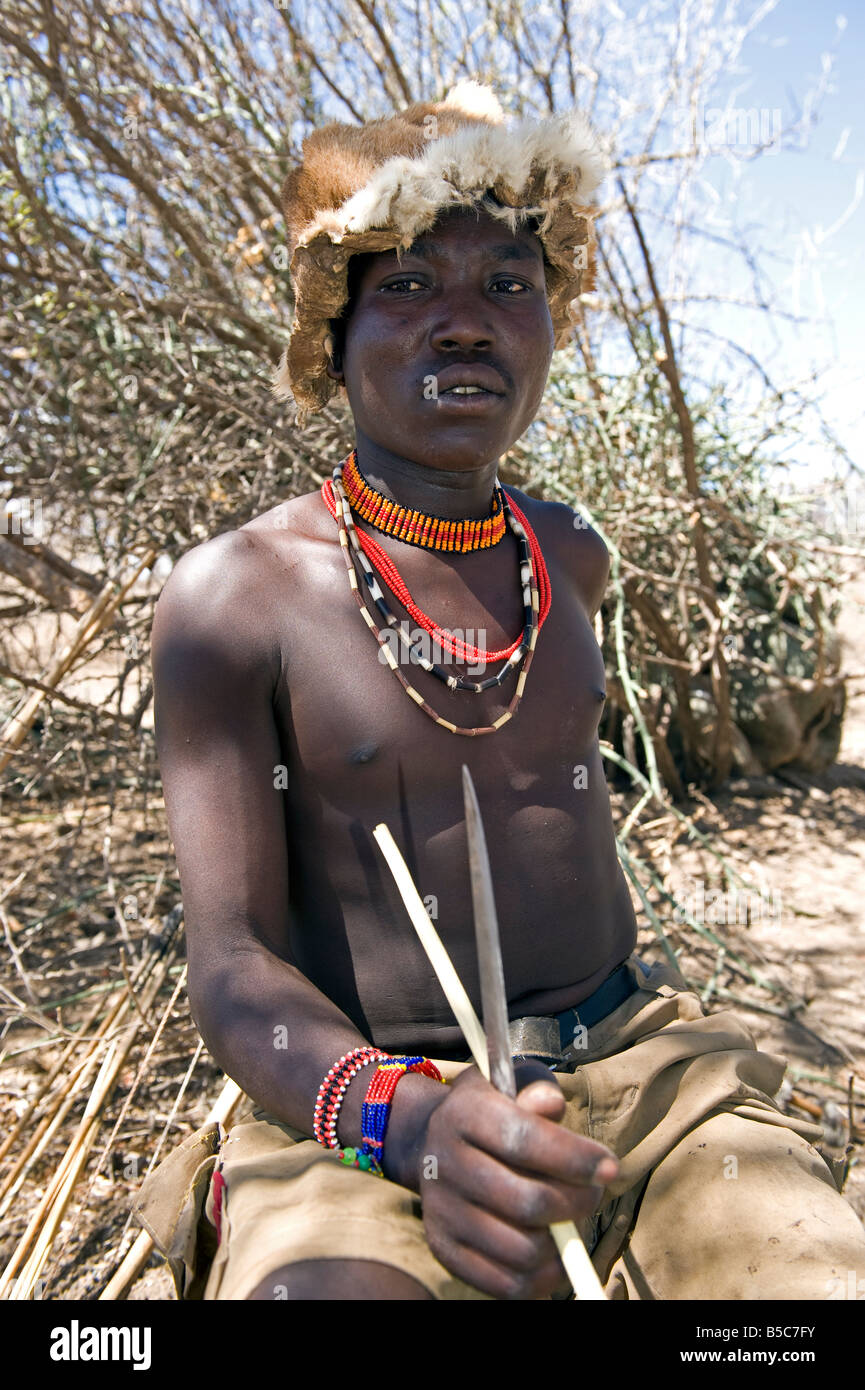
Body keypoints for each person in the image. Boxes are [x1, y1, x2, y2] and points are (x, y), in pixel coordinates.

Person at [136, 80, 865, 1300]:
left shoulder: (567, 556)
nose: (464, 323)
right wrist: (410, 1126)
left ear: (546, 328)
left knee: (799, 1292)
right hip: (372, 1104)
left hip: (639, 1066)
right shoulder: (234, 598)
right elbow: (232, 960)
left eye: (507, 286)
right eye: (409, 286)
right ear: (336, 333)